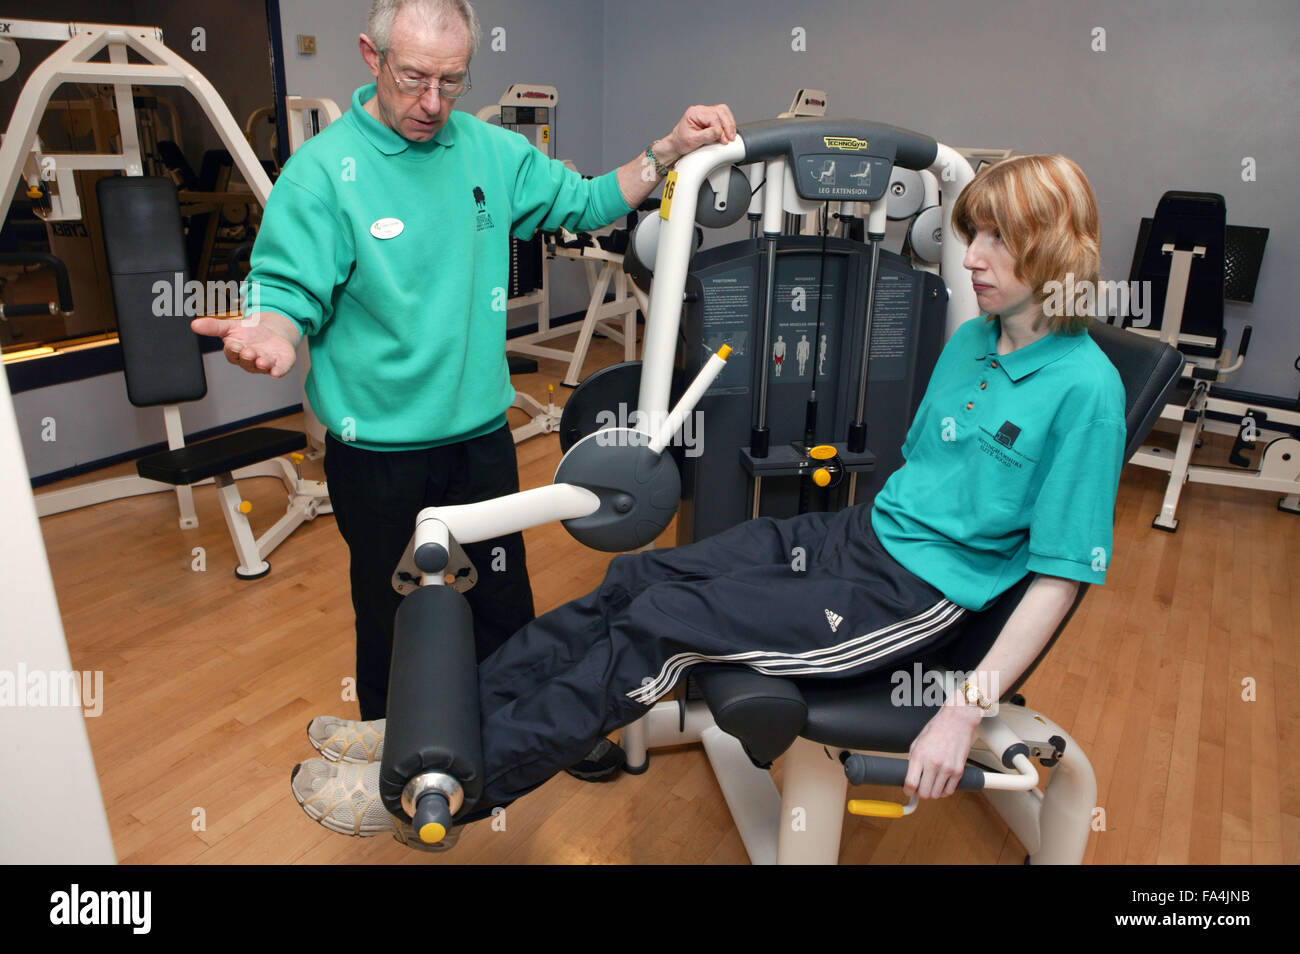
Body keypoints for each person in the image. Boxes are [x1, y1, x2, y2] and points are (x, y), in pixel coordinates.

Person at [290, 153, 1127, 851]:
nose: (972, 257)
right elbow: (923, 478)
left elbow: (1057, 576)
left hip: (909, 599)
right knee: (636, 581)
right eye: (971, 233)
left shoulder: (1086, 391)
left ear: (1055, 250)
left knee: (659, 635)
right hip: (858, 539)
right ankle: (427, 728)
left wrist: (958, 710)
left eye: (996, 241)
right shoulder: (977, 337)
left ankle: (448, 782)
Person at [191, 0, 737, 725]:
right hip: (378, 454)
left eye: (452, 81)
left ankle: (518, 735)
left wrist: (666, 149)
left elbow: (586, 202)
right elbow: (287, 289)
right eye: (415, 77)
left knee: (501, 603)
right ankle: (402, 757)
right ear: (370, 56)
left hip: (482, 441)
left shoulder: (488, 150)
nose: (432, 102)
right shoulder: (322, 174)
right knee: (397, 617)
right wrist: (279, 332)